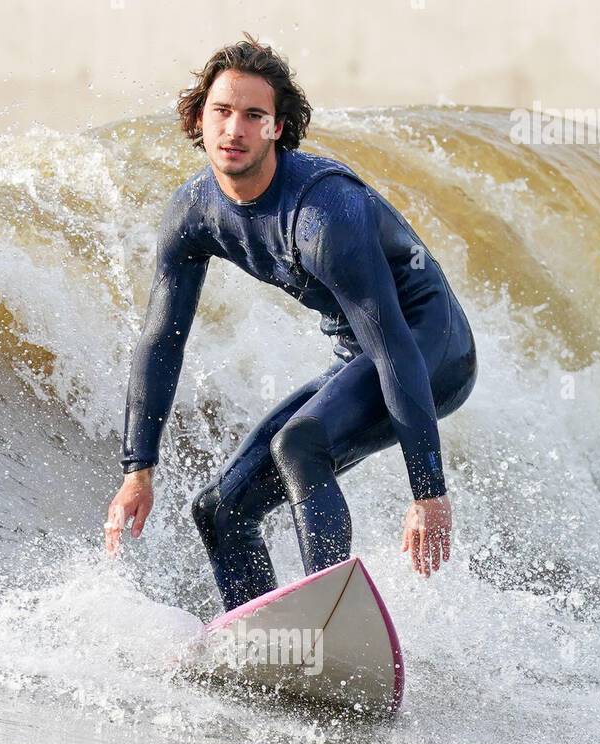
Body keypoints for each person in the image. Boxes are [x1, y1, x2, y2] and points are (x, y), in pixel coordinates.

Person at [105, 33, 477, 611]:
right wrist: (138, 469)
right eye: (222, 112)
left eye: (255, 116)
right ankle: (270, 642)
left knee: (300, 443)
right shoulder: (194, 211)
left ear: (278, 127)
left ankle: (329, 618)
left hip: (430, 352)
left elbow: (394, 349)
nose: (235, 130)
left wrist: (429, 493)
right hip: (362, 353)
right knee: (220, 507)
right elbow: (161, 343)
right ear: (199, 119)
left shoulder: (325, 213)